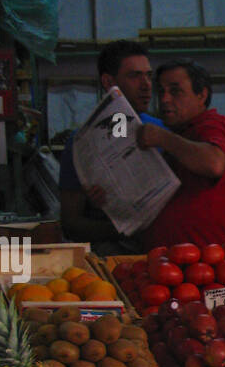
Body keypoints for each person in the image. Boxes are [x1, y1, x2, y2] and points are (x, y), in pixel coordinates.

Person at [137, 60, 225, 250]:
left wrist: (163, 137)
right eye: (161, 92)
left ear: (202, 95)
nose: (165, 99)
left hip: (220, 266)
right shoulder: (180, 137)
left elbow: (213, 163)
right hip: (176, 265)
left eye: (175, 91)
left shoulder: (212, 124)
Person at [59, 39, 161, 251]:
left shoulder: (164, 133)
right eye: (135, 76)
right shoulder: (81, 145)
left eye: (148, 75)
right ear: (108, 82)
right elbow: (71, 224)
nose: (146, 85)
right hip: (112, 258)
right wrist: (126, 228)